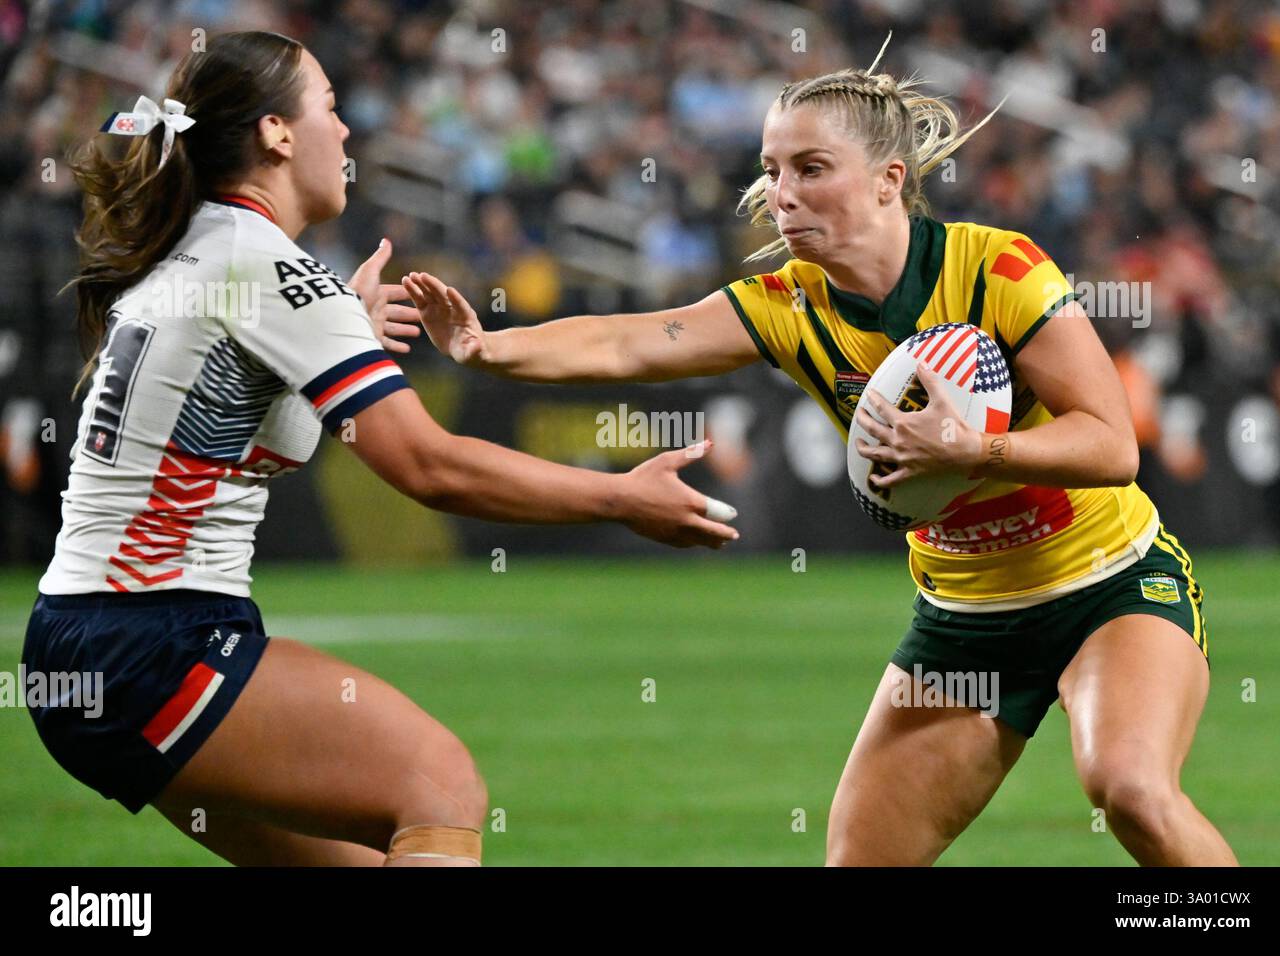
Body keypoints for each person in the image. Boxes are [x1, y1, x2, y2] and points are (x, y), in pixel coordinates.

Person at [407, 42, 1238, 865]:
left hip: (1107, 581)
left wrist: (976, 445)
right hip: (964, 622)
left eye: (810, 168)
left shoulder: (998, 270)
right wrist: (490, 349)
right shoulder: (786, 304)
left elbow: (1112, 442)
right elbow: (632, 345)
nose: (781, 194)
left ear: (889, 181)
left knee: (1129, 788)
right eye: (772, 170)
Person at [24, 31, 738, 868]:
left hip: (88, 641)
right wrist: (619, 497)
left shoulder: (203, 249)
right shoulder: (266, 267)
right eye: (328, 108)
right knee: (437, 785)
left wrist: (340, 329)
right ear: (276, 135)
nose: (347, 131)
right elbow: (430, 467)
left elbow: (223, 434)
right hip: (152, 640)